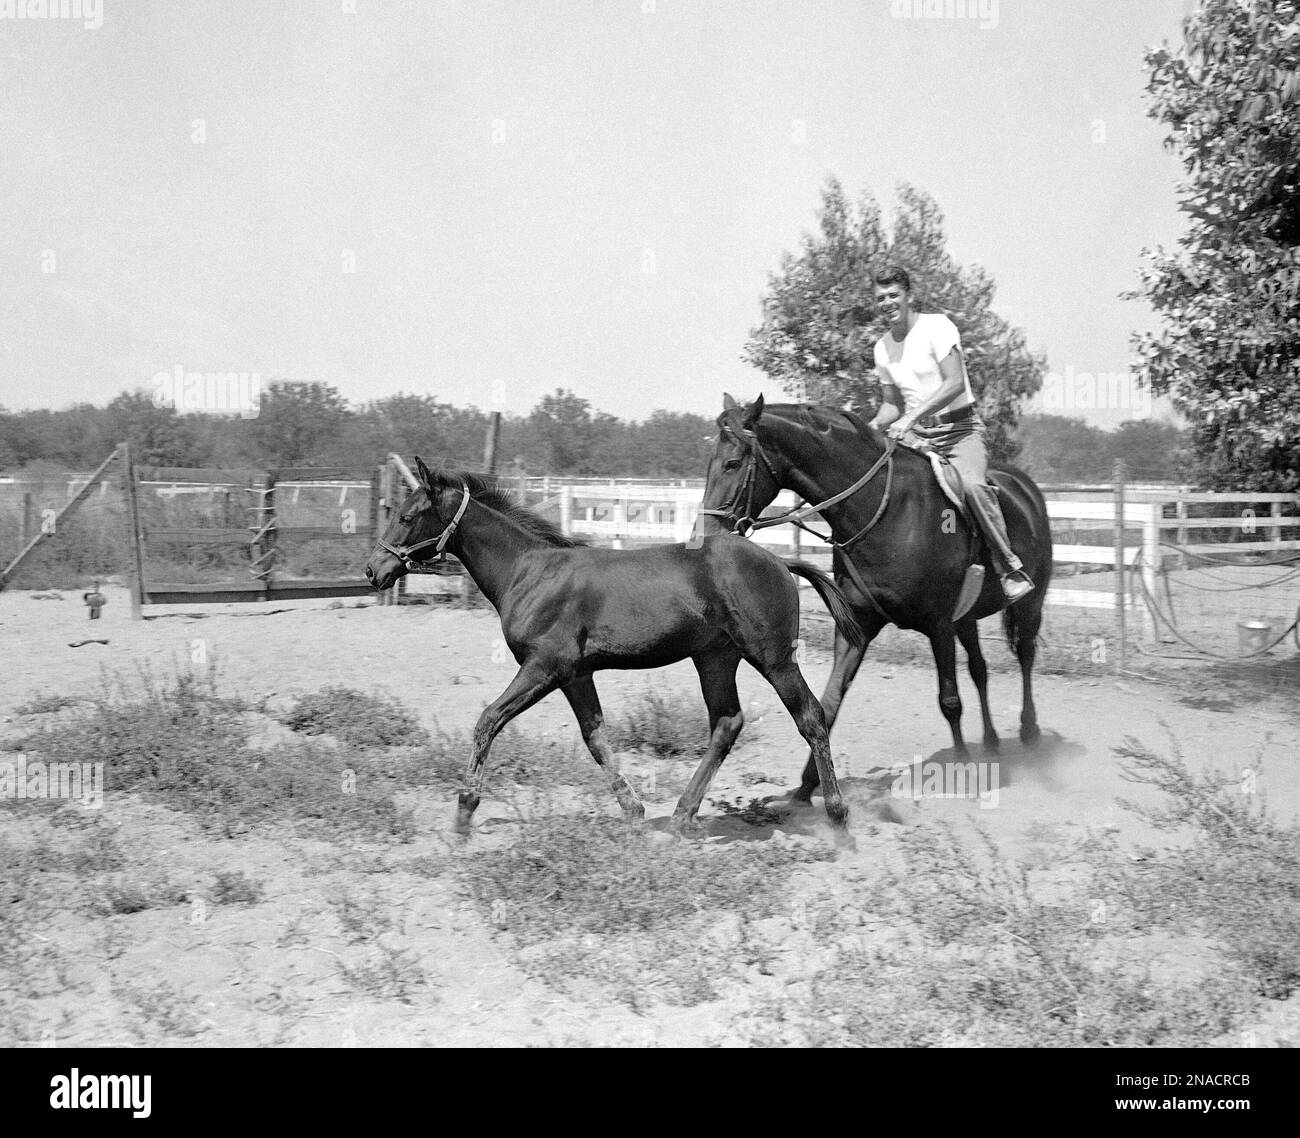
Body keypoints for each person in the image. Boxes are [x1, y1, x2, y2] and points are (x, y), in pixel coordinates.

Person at [863, 266, 1034, 601]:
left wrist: (910, 416)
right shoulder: (882, 348)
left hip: (960, 432)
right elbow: (892, 405)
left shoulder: (936, 327)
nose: (887, 303)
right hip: (918, 439)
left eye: (893, 295)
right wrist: (868, 427)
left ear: (909, 296)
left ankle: (1009, 567)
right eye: (881, 297)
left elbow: (954, 382)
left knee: (971, 485)